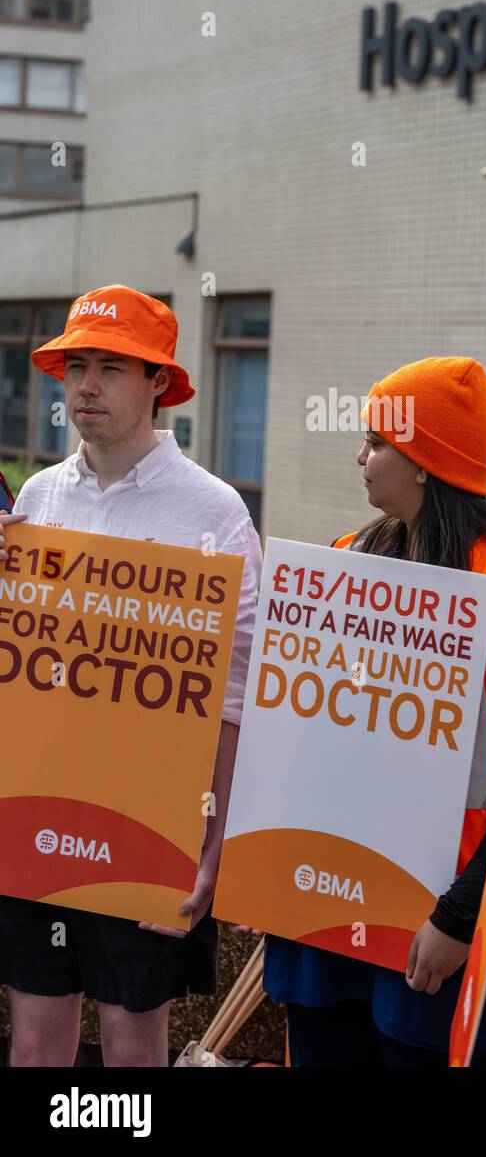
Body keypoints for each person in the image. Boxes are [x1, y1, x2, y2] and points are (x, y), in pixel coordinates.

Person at [259, 355, 486, 1067]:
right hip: (324, 918)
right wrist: (267, 871)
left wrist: (460, 915)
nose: (360, 454)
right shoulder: (344, 559)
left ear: (425, 463)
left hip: (444, 924)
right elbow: (298, 741)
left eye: (377, 440)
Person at [0, 284, 262, 1067]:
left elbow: (235, 698)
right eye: (77, 364)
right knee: (37, 1039)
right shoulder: (38, 500)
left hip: (150, 831)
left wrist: (216, 850)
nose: (86, 385)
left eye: (112, 367)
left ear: (158, 383)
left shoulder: (213, 513)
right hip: (38, 816)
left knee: (131, 1041)